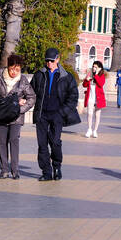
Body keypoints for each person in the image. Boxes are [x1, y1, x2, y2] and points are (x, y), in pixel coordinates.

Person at [30, 48, 81, 181]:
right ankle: (46, 172)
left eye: (51, 61)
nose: (49, 63)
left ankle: (57, 167)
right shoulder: (39, 74)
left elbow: (73, 97)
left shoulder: (67, 77)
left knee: (55, 142)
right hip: (42, 114)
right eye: (47, 61)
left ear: (58, 59)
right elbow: (30, 91)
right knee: (42, 144)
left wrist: (62, 112)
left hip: (57, 114)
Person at [0, 54, 35, 179]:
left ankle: (15, 170)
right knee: (2, 142)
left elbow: (32, 98)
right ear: (8, 67)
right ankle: (4, 170)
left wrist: (19, 109)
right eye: (12, 69)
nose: (14, 72)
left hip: (16, 117)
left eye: (17, 70)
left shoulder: (23, 81)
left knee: (14, 141)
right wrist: (3, 103)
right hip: (1, 115)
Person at [83, 60, 107, 137]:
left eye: (96, 67)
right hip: (90, 97)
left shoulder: (101, 75)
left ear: (100, 68)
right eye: (93, 66)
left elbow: (100, 84)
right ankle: (89, 129)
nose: (94, 68)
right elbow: (84, 85)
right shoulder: (90, 74)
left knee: (97, 115)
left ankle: (95, 130)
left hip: (98, 98)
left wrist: (96, 75)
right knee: (90, 114)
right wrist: (86, 80)